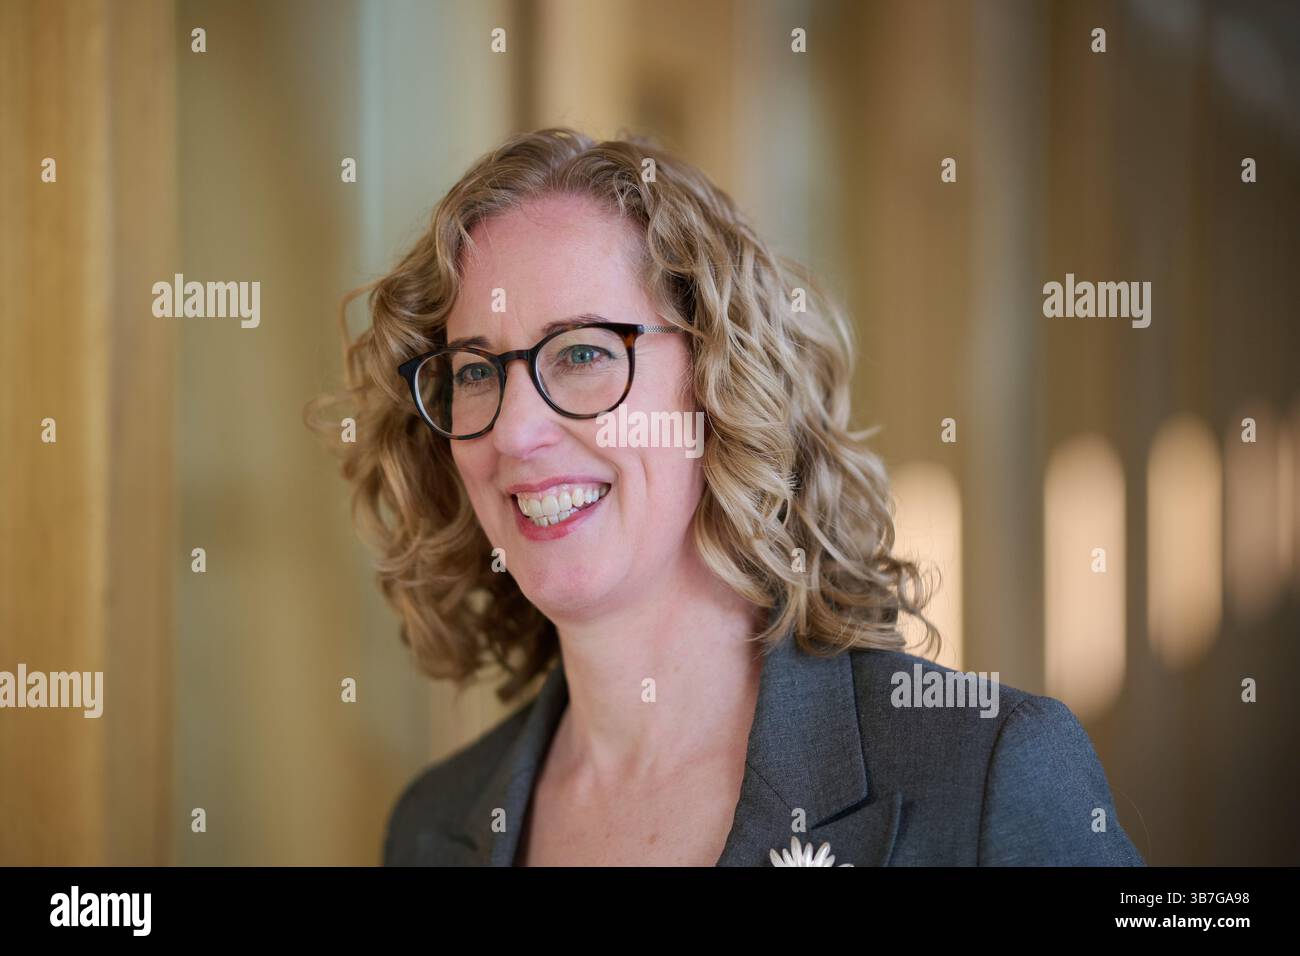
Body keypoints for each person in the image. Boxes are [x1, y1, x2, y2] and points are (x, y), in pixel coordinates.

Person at [307, 127, 1144, 866]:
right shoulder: (432, 826)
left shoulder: (987, 778)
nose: (515, 433)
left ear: (718, 382)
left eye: (583, 353)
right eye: (478, 371)